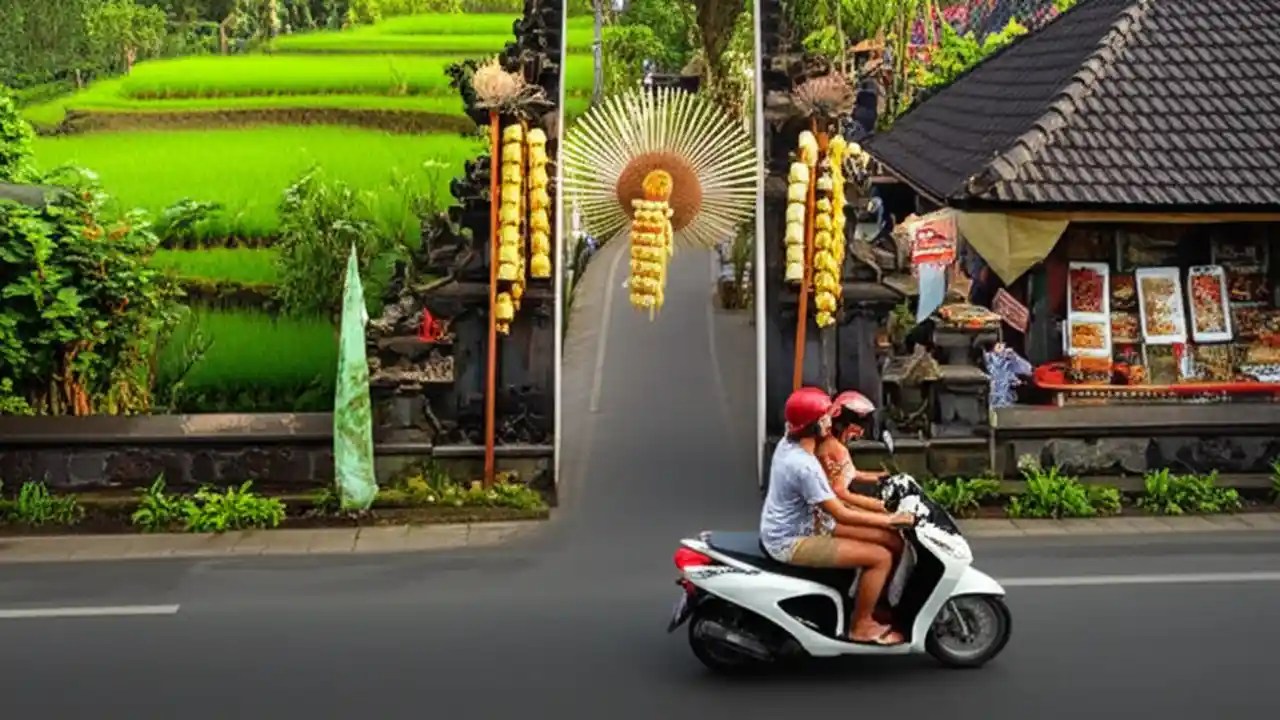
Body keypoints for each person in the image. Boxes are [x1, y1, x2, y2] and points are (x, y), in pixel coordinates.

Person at [760, 387, 914, 645]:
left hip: (810, 523)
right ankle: (860, 626)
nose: (830, 423)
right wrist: (889, 518)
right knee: (880, 557)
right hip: (793, 540)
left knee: (889, 538)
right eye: (825, 419)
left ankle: (873, 602)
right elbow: (840, 512)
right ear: (814, 426)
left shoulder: (792, 444)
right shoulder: (804, 465)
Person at [815, 391, 905, 560]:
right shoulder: (836, 450)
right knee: (892, 540)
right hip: (826, 518)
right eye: (859, 425)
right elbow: (840, 492)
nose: (861, 433)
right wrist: (882, 508)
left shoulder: (833, 445)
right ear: (844, 423)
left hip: (830, 512)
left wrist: (881, 477)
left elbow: (849, 474)